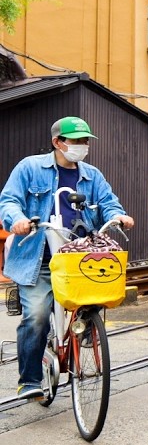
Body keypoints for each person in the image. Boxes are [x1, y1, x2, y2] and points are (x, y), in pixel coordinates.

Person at [0, 117, 134, 402]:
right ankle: (30, 380)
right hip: (41, 260)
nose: (82, 146)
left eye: (85, 141)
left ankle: (83, 332)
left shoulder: (92, 175)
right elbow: (8, 200)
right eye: (75, 141)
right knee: (36, 316)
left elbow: (108, 202)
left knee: (99, 295)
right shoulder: (30, 167)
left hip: (80, 261)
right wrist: (19, 220)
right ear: (57, 142)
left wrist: (117, 217)